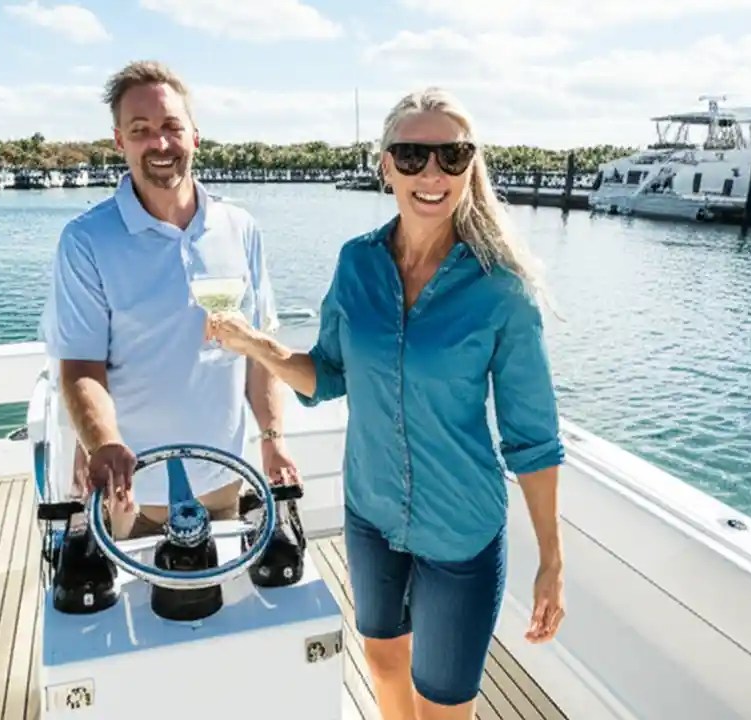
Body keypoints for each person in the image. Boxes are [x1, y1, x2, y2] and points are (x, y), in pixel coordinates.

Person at [208, 87, 566, 719]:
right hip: (371, 513)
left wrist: (551, 560)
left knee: (443, 706)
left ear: (470, 167)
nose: (432, 173)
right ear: (385, 165)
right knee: (381, 659)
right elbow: (328, 375)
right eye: (412, 154)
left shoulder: (503, 289)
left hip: (461, 531)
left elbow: (532, 438)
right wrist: (256, 344)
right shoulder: (357, 264)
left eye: (451, 157)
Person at [38, 60, 300, 613]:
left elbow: (258, 351)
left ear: (195, 135)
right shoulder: (86, 241)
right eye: (141, 130)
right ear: (119, 140)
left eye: (172, 126)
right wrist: (102, 444)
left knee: (218, 618)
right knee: (131, 630)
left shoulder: (240, 227)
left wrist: (272, 437)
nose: (159, 142)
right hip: (128, 488)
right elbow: (80, 367)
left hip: (224, 474)